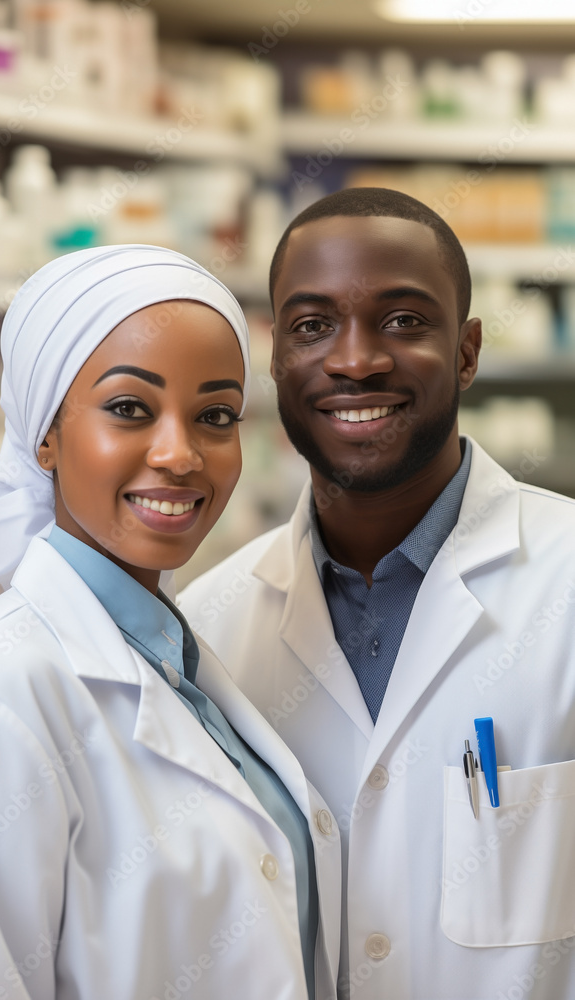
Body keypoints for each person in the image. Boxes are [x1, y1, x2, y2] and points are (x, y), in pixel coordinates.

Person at [0, 245, 342, 1000]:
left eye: (214, 416)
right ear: (45, 434)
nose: (179, 455)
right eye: (129, 409)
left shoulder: (174, 656)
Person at [178, 189, 575, 1000]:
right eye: (312, 325)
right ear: (275, 356)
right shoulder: (205, 631)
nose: (354, 359)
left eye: (402, 321)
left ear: (465, 352)